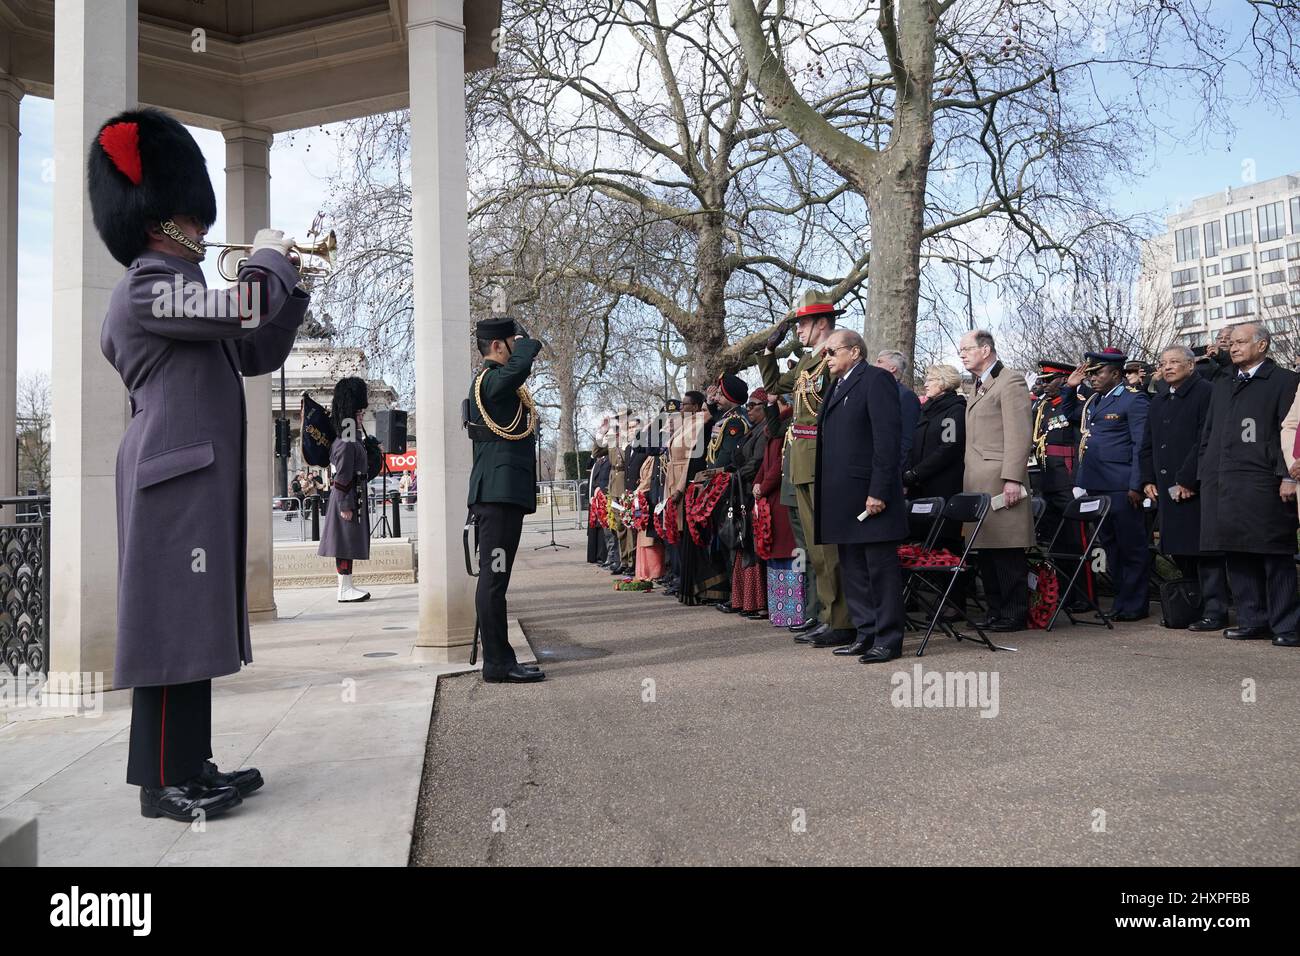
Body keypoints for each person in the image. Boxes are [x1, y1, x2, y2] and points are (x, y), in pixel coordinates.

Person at [92, 107, 308, 821]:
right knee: (166, 634)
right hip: (169, 480)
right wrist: (270, 257)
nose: (206, 229)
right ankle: (161, 783)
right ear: (163, 216)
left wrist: (293, 288)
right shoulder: (149, 286)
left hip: (189, 479)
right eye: (194, 218)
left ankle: (192, 761)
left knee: (192, 629)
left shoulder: (182, 293)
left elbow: (254, 350)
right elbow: (246, 305)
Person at [756, 290, 855, 647]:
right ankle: (823, 613)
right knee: (812, 548)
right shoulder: (806, 363)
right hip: (799, 460)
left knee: (825, 547)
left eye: (802, 323)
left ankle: (840, 619)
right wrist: (768, 352)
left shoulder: (832, 360)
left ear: (823, 323)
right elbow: (773, 387)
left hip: (817, 459)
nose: (797, 330)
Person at [1199, 323, 1300, 647]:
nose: (1234, 347)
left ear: (1262, 345)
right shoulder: (1223, 383)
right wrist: (1206, 471)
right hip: (1225, 481)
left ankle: (1287, 624)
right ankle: (1251, 619)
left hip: (1265, 481)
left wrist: (1287, 475)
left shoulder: (1284, 381)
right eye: (1233, 343)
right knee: (1237, 553)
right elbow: (1210, 432)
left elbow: (1290, 432)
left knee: (1274, 555)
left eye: (1242, 342)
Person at [815, 329, 906, 663]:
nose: (826, 358)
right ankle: (865, 632)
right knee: (853, 567)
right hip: (842, 496)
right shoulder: (835, 386)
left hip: (869, 494)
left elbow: (887, 440)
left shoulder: (876, 380)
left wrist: (879, 490)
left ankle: (889, 637)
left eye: (831, 352)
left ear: (854, 352)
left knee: (879, 570)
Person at [465, 316, 547, 682]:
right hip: (496, 499)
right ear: (499, 346)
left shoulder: (499, 386)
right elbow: (515, 372)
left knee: (496, 579)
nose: (519, 350)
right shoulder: (491, 382)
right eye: (512, 343)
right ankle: (497, 663)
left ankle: (500, 658)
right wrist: (527, 343)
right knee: (494, 579)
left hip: (502, 497)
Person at [1140, 344, 1228, 631]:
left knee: (1205, 552)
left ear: (1191, 365)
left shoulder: (1206, 392)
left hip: (1196, 486)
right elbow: (1148, 443)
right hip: (1165, 487)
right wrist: (1147, 478)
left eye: (1175, 362)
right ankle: (1192, 605)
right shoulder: (1159, 399)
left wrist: (1188, 479)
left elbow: (1207, 439)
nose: (1167, 367)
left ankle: (1215, 610)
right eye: (1164, 363)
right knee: (1181, 551)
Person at [959, 329, 1034, 632]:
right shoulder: (978, 386)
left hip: (1001, 480)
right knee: (986, 552)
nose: (961, 354)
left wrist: (1013, 479)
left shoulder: (1010, 381)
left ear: (986, 350)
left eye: (967, 349)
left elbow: (1019, 434)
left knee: (1006, 550)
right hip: (978, 481)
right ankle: (995, 610)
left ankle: (1014, 613)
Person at [1072, 349, 1152, 621]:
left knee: (1132, 547)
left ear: (1116, 374)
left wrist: (1136, 484)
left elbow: (1140, 445)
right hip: (1096, 484)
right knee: (1110, 546)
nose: (1093, 378)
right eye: (1091, 374)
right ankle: (1121, 601)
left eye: (1098, 373)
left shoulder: (1133, 400)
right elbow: (1079, 427)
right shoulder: (1095, 401)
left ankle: (1136, 604)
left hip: (1121, 485)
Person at [904, 364, 968, 606]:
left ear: (944, 382)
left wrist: (916, 473)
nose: (926, 383)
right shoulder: (927, 411)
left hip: (943, 487)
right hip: (921, 487)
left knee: (946, 543)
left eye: (930, 379)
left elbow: (948, 448)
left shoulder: (954, 411)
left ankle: (953, 602)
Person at [1032, 360, 1091, 610]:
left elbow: (1081, 444)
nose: (1043, 385)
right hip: (1048, 480)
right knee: (1056, 543)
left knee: (1076, 541)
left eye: (1049, 380)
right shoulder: (1042, 407)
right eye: (1042, 380)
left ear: (1065, 379)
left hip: (1068, 482)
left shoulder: (1077, 403)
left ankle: (1084, 596)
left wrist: (1080, 481)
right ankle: (1064, 594)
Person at [317, 377, 374, 603]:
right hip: (347, 497)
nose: (361, 418)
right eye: (359, 414)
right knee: (345, 543)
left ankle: (347, 585)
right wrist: (346, 504)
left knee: (347, 542)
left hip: (352, 495)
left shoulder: (349, 438)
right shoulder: (346, 442)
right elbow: (343, 475)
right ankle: (344, 588)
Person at [719, 387, 769, 618]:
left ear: (765, 407)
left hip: (752, 492)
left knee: (751, 547)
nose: (748, 410)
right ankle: (741, 598)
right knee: (741, 546)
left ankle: (757, 602)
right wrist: (726, 473)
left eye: (753, 406)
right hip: (741, 492)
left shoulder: (765, 430)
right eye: (747, 406)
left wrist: (735, 477)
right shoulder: (751, 431)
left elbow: (757, 462)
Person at [757, 397, 801, 626]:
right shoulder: (776, 428)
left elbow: (778, 464)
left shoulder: (788, 427)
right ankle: (781, 609)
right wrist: (758, 482)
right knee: (776, 555)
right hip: (772, 498)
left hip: (782, 497)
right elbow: (766, 464)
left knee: (791, 554)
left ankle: (794, 610)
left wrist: (762, 486)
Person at [664, 391, 710, 601]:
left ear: (697, 406)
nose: (681, 408)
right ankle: (680, 578)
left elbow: (691, 460)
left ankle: (687, 579)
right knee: (677, 532)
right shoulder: (685, 423)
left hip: (683, 479)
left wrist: (680, 488)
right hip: (673, 477)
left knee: (685, 533)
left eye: (685, 404)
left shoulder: (699, 423)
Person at [875, 349, 921, 463]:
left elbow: (907, 439)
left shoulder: (906, 396)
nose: (874, 365)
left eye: (879, 362)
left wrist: (897, 469)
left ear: (892, 368)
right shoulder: (872, 392)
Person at [587, 445, 611, 566]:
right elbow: (588, 466)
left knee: (603, 527)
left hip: (602, 495)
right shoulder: (596, 461)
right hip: (594, 496)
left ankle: (604, 556)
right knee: (595, 526)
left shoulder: (607, 459)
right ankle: (595, 555)